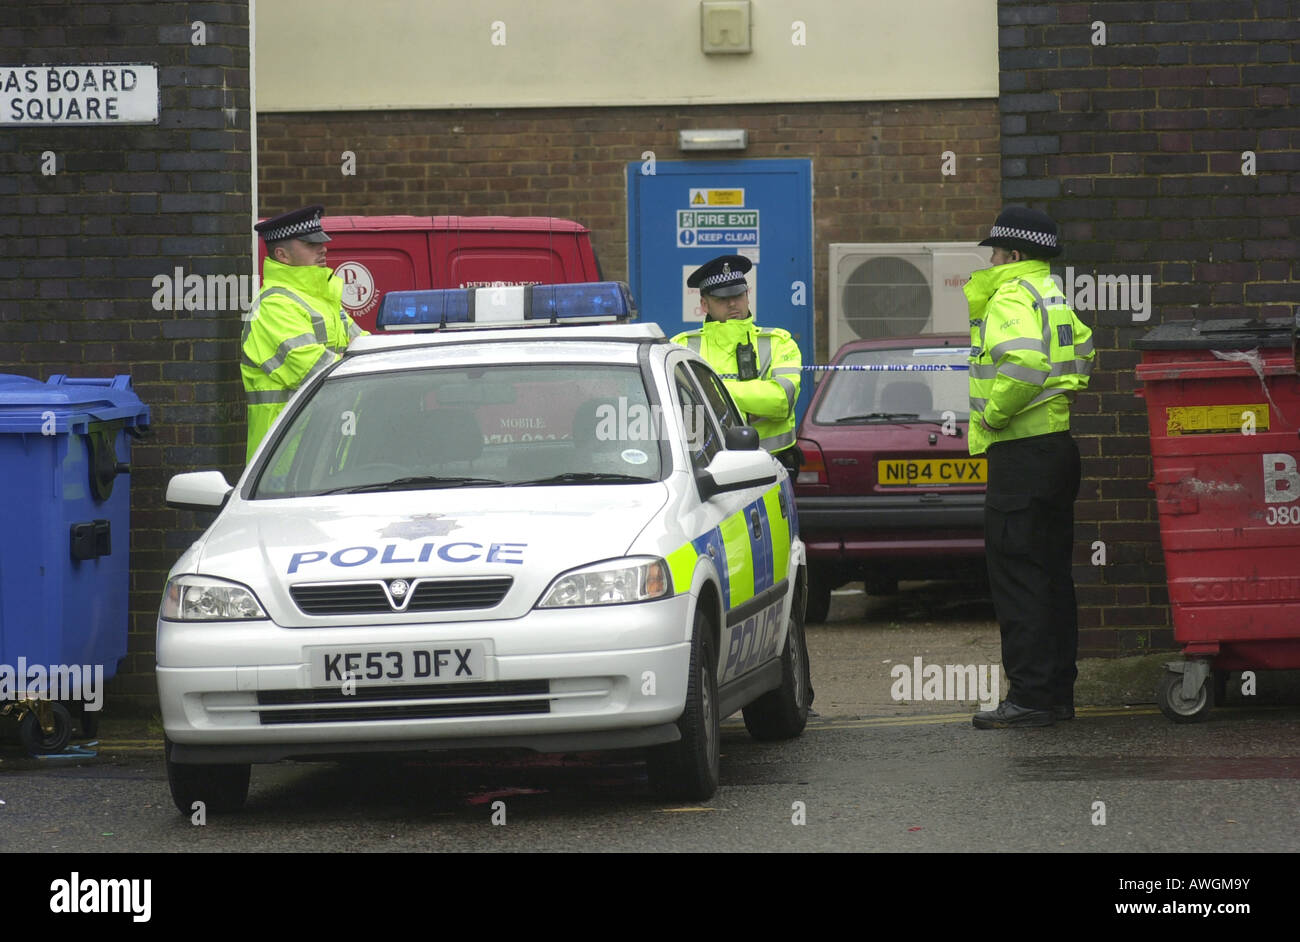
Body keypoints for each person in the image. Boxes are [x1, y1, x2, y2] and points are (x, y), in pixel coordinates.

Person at [965, 207, 1095, 729]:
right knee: (1050, 577)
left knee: (1018, 578)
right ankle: (1056, 692)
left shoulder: (1012, 295)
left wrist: (994, 415)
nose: (991, 261)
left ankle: (1031, 698)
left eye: (995, 253)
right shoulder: (1053, 296)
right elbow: (1082, 354)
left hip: (1021, 454)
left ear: (1014, 255)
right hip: (1056, 448)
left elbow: (1024, 366)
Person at [241, 205, 367, 462]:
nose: (323, 248)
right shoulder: (273, 307)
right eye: (311, 244)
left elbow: (368, 348)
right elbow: (319, 372)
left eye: (321, 242)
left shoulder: (323, 301)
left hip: (323, 457)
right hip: (282, 463)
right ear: (282, 255)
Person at [671, 254, 803, 471]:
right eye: (722, 298)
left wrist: (711, 390)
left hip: (770, 465)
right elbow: (676, 406)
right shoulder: (682, 345)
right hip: (705, 465)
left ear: (747, 296)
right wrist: (754, 396)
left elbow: (781, 400)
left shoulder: (779, 342)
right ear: (705, 304)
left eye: (738, 295)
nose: (732, 303)